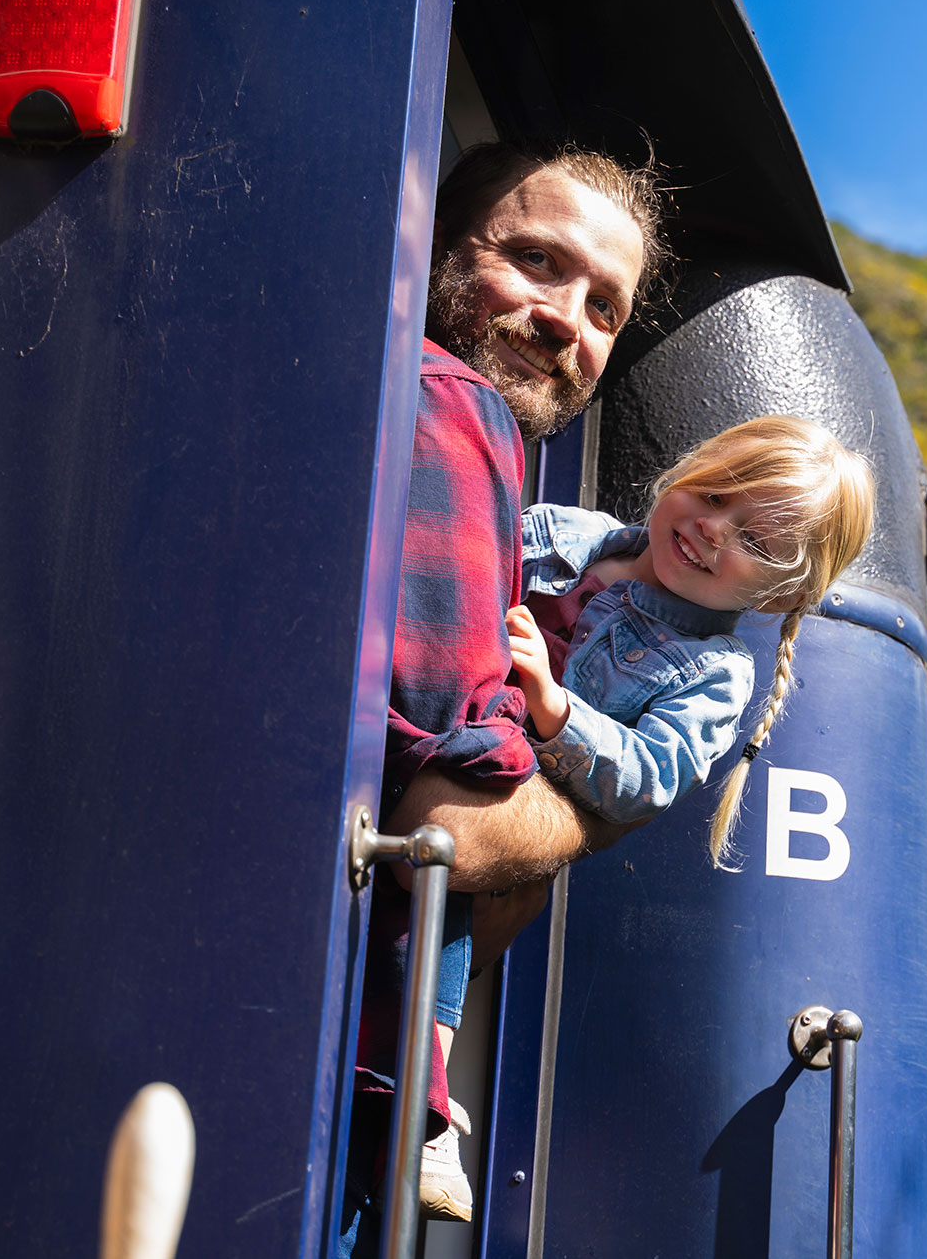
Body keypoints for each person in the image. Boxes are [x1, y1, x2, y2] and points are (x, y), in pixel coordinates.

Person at [338, 139, 666, 1252]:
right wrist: (603, 799)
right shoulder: (456, 407)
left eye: (605, 308)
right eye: (535, 261)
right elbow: (450, 823)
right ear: (439, 243)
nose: (566, 320)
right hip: (327, 1060)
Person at [506, 415, 876, 867]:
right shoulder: (563, 530)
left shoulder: (714, 674)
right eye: (714, 495)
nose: (713, 527)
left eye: (754, 542)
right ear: (687, 471)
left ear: (781, 596)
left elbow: (649, 778)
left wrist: (554, 707)